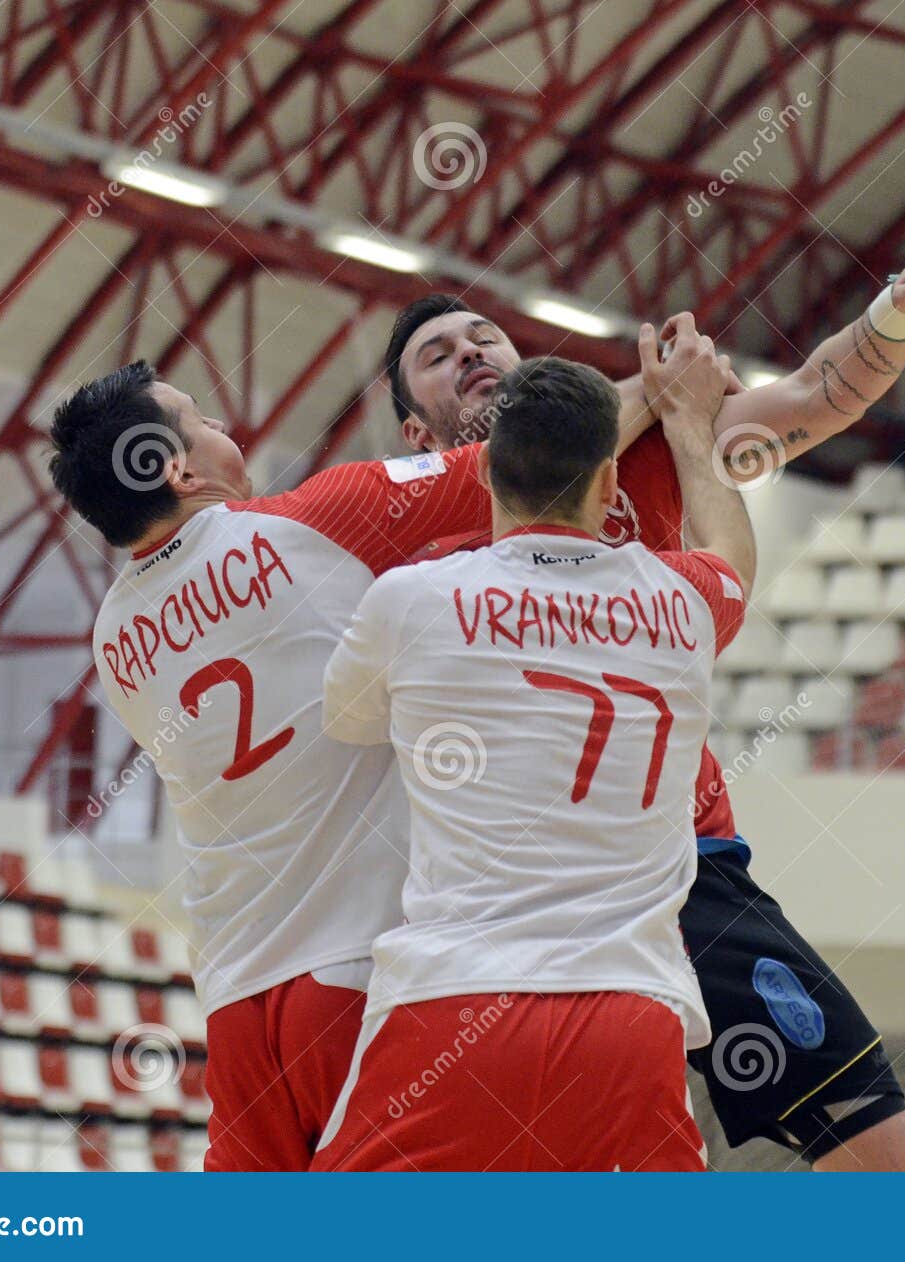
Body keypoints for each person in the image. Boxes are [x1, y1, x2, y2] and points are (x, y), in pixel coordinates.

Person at [379, 203, 905, 1170]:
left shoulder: (663, 444)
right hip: (515, 907)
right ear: (417, 428)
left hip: (686, 867)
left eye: (484, 336)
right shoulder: (414, 528)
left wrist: (900, 311)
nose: (468, 351)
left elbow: (818, 398)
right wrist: (659, 396)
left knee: (880, 1153)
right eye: (438, 353)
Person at [48, 348, 693, 1170]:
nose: (223, 426)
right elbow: (520, 458)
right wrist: (665, 386)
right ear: (173, 469)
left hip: (237, 996)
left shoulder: (112, 642)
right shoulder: (314, 521)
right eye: (202, 421)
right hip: (354, 971)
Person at [315, 353, 754, 1170]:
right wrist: (688, 423)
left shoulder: (409, 599)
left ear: (480, 466)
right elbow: (731, 553)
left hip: (452, 1001)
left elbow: (348, 722)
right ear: (612, 483)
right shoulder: (687, 601)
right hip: (630, 1014)